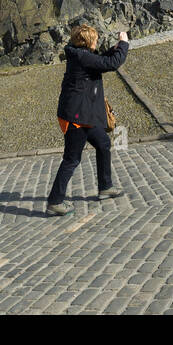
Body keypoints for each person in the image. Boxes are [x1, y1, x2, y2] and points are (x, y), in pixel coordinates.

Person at [47, 25, 128, 216]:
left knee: (103, 143)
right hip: (76, 117)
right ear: (87, 41)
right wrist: (124, 44)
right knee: (71, 159)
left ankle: (105, 187)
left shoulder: (79, 54)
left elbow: (100, 60)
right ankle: (55, 202)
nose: (97, 42)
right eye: (95, 39)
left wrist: (115, 48)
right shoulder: (82, 57)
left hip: (83, 114)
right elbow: (111, 64)